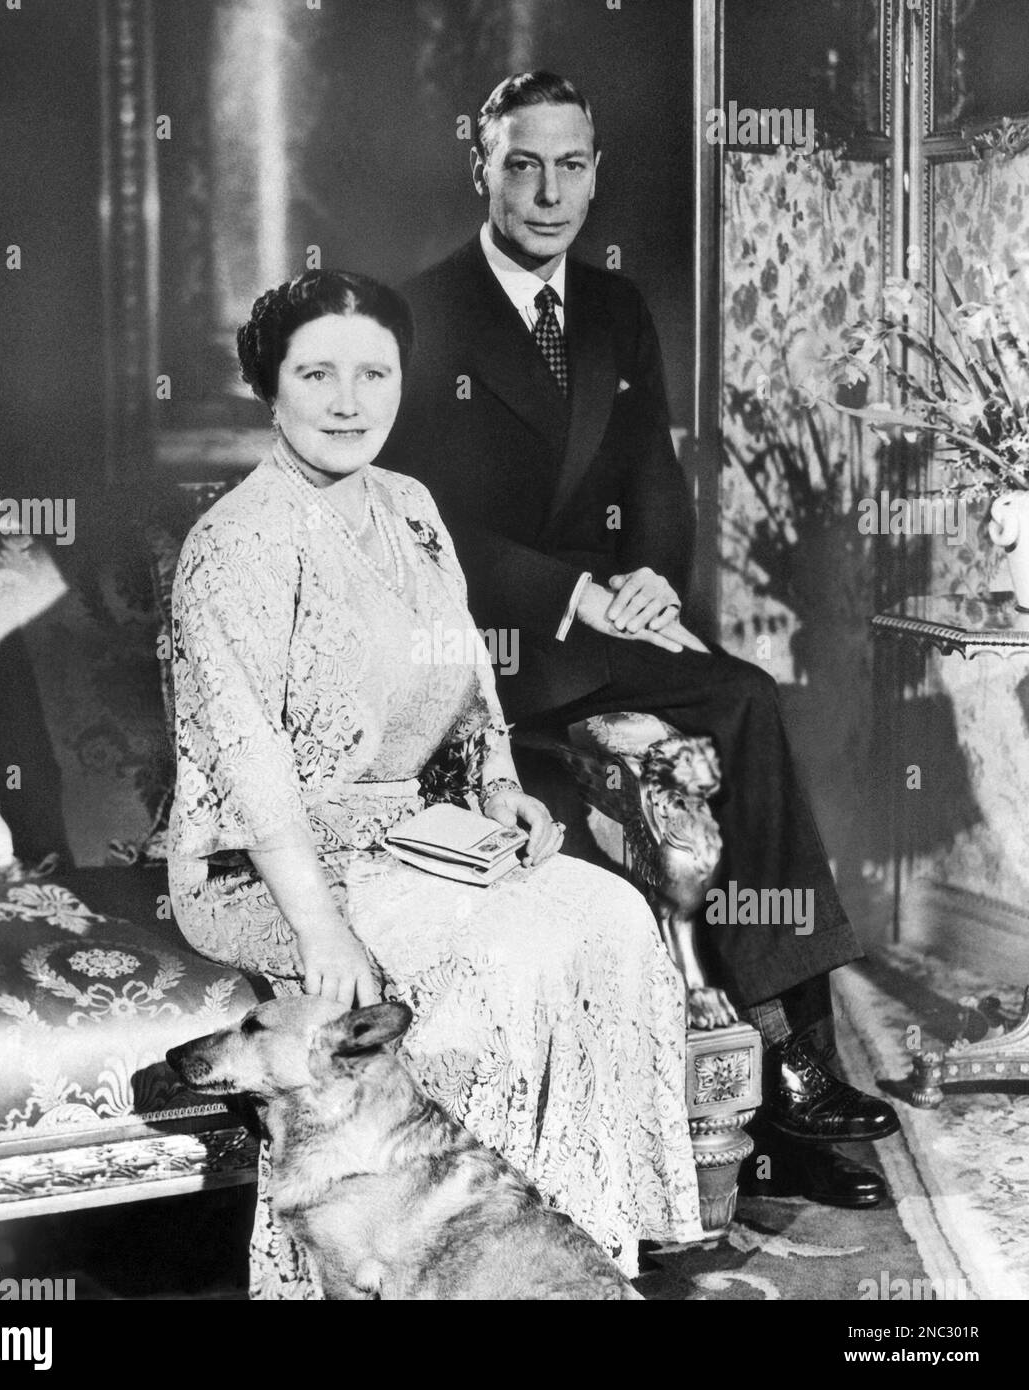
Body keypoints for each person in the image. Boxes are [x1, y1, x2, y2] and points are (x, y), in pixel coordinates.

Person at [380, 71, 899, 1210]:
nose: (548, 190)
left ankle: (797, 1070)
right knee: (741, 703)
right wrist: (577, 595)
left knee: (750, 695)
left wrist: (658, 581)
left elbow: (654, 484)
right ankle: (789, 1080)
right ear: (482, 165)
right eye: (523, 163)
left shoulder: (614, 308)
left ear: (598, 169)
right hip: (489, 644)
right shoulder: (420, 314)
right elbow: (421, 521)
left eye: (570, 164)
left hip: (612, 621)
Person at [166, 269, 703, 1299]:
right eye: (316, 373)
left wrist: (499, 788)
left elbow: (466, 679)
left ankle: (573, 1264)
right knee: (499, 960)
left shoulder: (409, 506)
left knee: (614, 918)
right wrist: (319, 929)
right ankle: (452, 1273)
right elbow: (248, 765)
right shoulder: (231, 544)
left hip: (414, 833)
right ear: (268, 387)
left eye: (374, 374)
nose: (347, 400)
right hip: (264, 871)